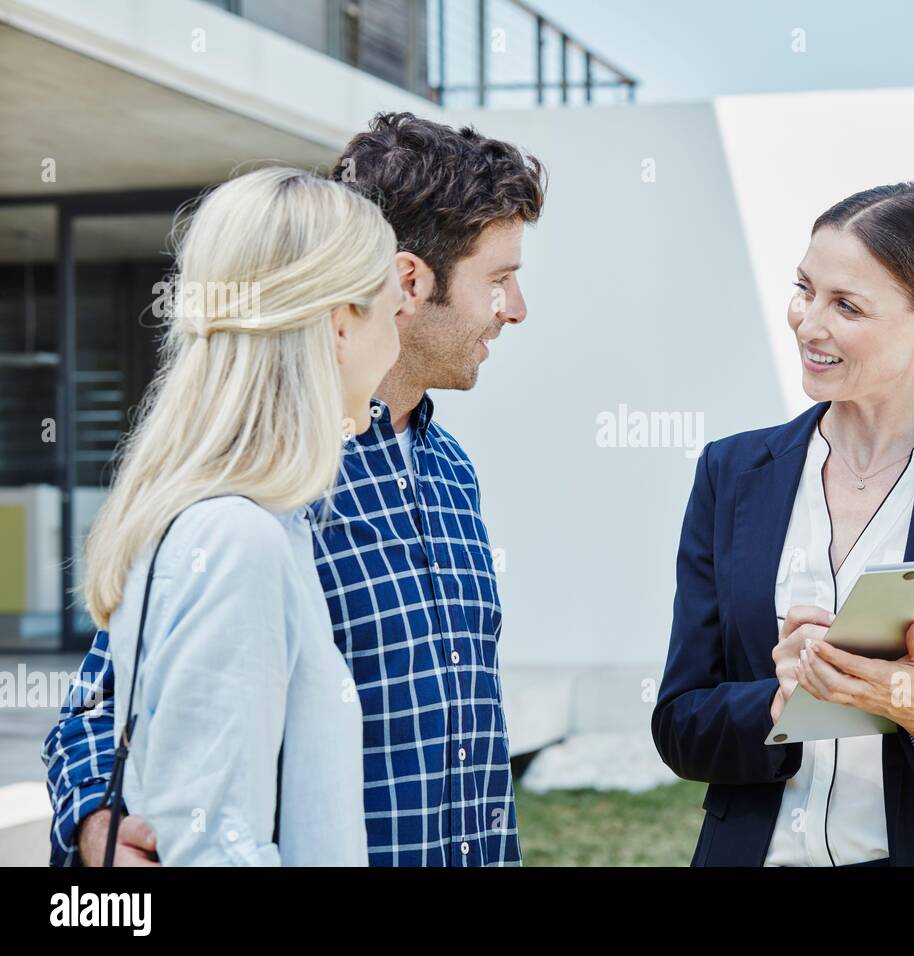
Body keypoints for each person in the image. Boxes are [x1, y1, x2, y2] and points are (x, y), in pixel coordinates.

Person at [43, 113, 546, 866]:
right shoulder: (267, 485)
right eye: (499, 280)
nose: (515, 310)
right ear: (406, 282)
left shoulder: (452, 471)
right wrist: (99, 824)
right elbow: (105, 699)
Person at [651, 182, 914, 867]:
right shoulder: (731, 474)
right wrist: (777, 701)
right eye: (805, 289)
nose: (809, 323)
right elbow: (678, 726)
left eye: (846, 305)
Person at [77, 166, 407, 864]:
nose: (398, 335)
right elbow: (216, 849)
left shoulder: (244, 522)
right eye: (390, 306)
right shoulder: (237, 537)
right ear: (341, 324)